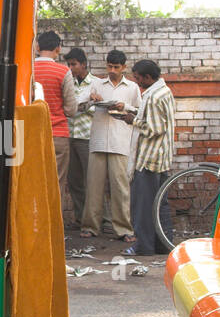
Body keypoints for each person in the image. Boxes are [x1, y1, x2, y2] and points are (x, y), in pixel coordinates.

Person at [113, 58, 176, 256]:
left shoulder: (154, 96)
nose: (136, 81)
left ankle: (143, 246)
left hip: (149, 159)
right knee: (159, 205)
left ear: (148, 77)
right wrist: (129, 110)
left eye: (138, 78)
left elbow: (155, 129)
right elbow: (151, 117)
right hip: (162, 158)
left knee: (142, 205)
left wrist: (134, 121)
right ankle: (162, 244)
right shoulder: (163, 91)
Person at [81, 49, 140, 240]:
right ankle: (90, 226)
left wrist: (125, 107)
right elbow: (78, 106)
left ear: (124, 67)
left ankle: (123, 229)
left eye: (116, 67)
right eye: (109, 66)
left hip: (120, 141)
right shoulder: (97, 84)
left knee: (120, 187)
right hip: (98, 140)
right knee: (93, 187)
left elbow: (139, 112)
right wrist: (92, 99)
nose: (112, 70)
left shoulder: (132, 88)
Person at [33, 31, 76, 199]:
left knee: (33, 181)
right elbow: (71, 109)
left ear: (37, 47)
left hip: (31, 134)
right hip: (58, 135)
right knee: (55, 184)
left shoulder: (27, 69)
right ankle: (53, 225)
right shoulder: (63, 72)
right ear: (58, 49)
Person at [64, 47, 94, 230]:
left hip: (87, 136)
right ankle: (80, 218)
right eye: (68, 64)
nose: (70, 68)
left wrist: (83, 107)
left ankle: (93, 221)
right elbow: (67, 107)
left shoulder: (96, 84)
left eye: (73, 64)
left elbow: (99, 107)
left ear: (83, 64)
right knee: (74, 180)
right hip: (70, 135)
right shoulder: (68, 83)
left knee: (91, 180)